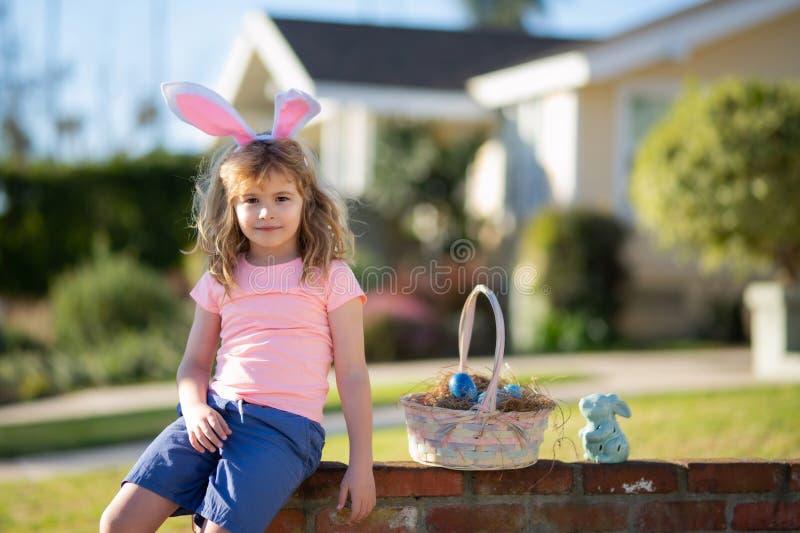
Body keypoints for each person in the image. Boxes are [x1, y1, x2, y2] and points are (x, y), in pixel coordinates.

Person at [100, 82, 375, 533]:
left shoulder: (330, 275)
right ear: (232, 205)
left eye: (281, 198)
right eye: (252, 200)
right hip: (211, 416)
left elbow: (352, 373)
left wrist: (361, 463)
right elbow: (193, 364)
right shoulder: (221, 277)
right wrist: (193, 408)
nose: (267, 212)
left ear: (306, 204)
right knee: (117, 523)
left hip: (283, 431)